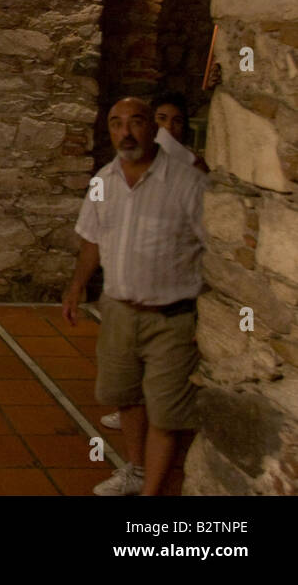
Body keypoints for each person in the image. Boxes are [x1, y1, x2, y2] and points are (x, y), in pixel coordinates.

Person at [63, 96, 207, 496]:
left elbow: (215, 249)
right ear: (109, 130)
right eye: (116, 124)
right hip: (119, 310)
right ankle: (137, 469)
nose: (126, 132)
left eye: (136, 122)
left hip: (171, 317)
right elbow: (92, 240)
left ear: (152, 128)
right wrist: (76, 286)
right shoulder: (103, 182)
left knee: (165, 412)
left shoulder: (186, 183)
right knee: (124, 396)